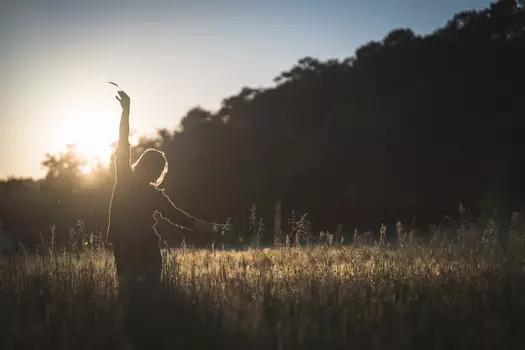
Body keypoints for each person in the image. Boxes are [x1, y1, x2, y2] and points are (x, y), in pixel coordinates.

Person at [106, 90, 221, 349]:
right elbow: (182, 219)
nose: (157, 173)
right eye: (158, 169)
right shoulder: (140, 186)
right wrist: (213, 228)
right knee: (144, 295)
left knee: (129, 296)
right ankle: (143, 334)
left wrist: (126, 111)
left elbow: (123, 144)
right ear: (155, 170)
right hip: (143, 248)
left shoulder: (126, 177)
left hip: (128, 246)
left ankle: (133, 334)